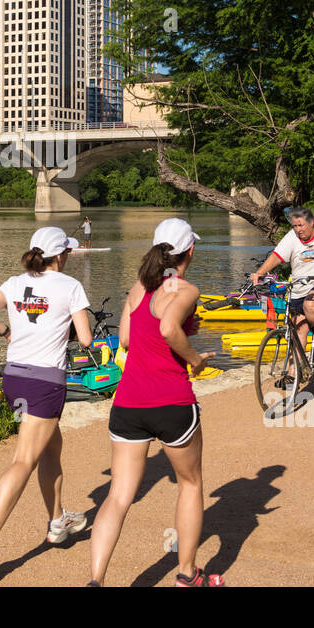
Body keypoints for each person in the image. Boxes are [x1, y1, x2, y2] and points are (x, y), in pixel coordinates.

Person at [87, 217, 223, 587]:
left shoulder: (137, 289)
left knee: (118, 496)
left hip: (129, 403)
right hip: (171, 401)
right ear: (189, 251)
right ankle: (187, 574)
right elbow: (167, 328)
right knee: (190, 485)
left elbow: (127, 341)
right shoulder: (187, 290)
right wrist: (194, 359)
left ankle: (96, 580)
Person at [0, 226, 93, 583]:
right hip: (45, 382)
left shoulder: (14, 282)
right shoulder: (70, 286)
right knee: (25, 459)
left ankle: (57, 522)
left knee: (51, 447)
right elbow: (84, 338)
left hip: (15, 378)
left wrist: (8, 333)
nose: (68, 255)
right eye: (66, 252)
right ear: (59, 256)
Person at [249, 206, 314, 371]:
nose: (298, 230)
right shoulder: (292, 237)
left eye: (301, 225)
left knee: (311, 305)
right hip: (299, 287)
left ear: (311, 222)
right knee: (298, 329)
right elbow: (276, 256)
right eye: (295, 226)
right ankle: (293, 375)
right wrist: (259, 273)